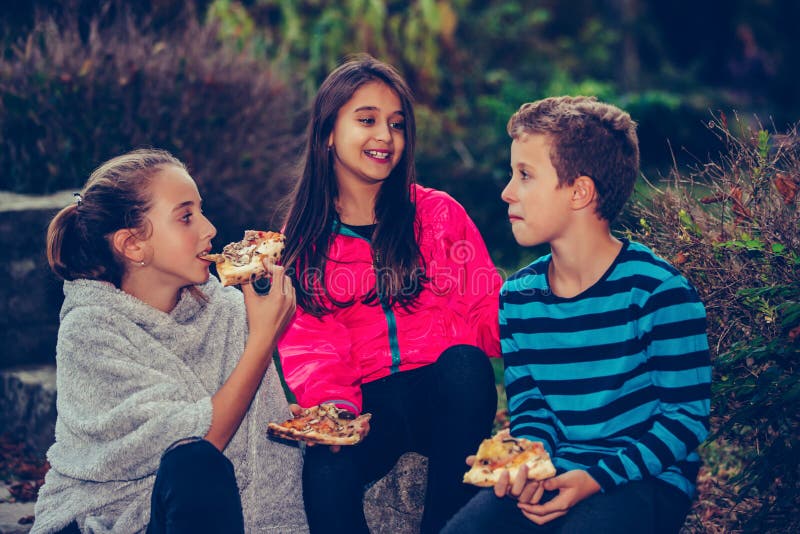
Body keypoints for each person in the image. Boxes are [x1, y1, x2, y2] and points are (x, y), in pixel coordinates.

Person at [442, 96, 712, 533]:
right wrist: (523, 458)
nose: (506, 191)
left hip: (643, 481)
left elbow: (684, 420)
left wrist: (593, 480)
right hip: (557, 471)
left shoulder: (659, 293)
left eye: (525, 175)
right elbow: (531, 408)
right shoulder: (519, 298)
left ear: (580, 192)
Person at [277, 54, 502, 533]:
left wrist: (543, 306)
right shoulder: (302, 243)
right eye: (367, 120)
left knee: (467, 363)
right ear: (328, 133)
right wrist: (336, 413)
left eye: (397, 124)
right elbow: (311, 346)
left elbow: (487, 305)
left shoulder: (438, 214)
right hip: (364, 405)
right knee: (326, 462)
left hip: (439, 393)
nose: (385, 136)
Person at [32, 149, 308, 533]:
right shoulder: (90, 331)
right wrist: (262, 340)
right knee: (193, 462)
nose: (209, 228)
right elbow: (196, 446)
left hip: (205, 518)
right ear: (133, 245)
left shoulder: (228, 310)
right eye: (186, 216)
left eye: (201, 210)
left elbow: (259, 437)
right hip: (105, 518)